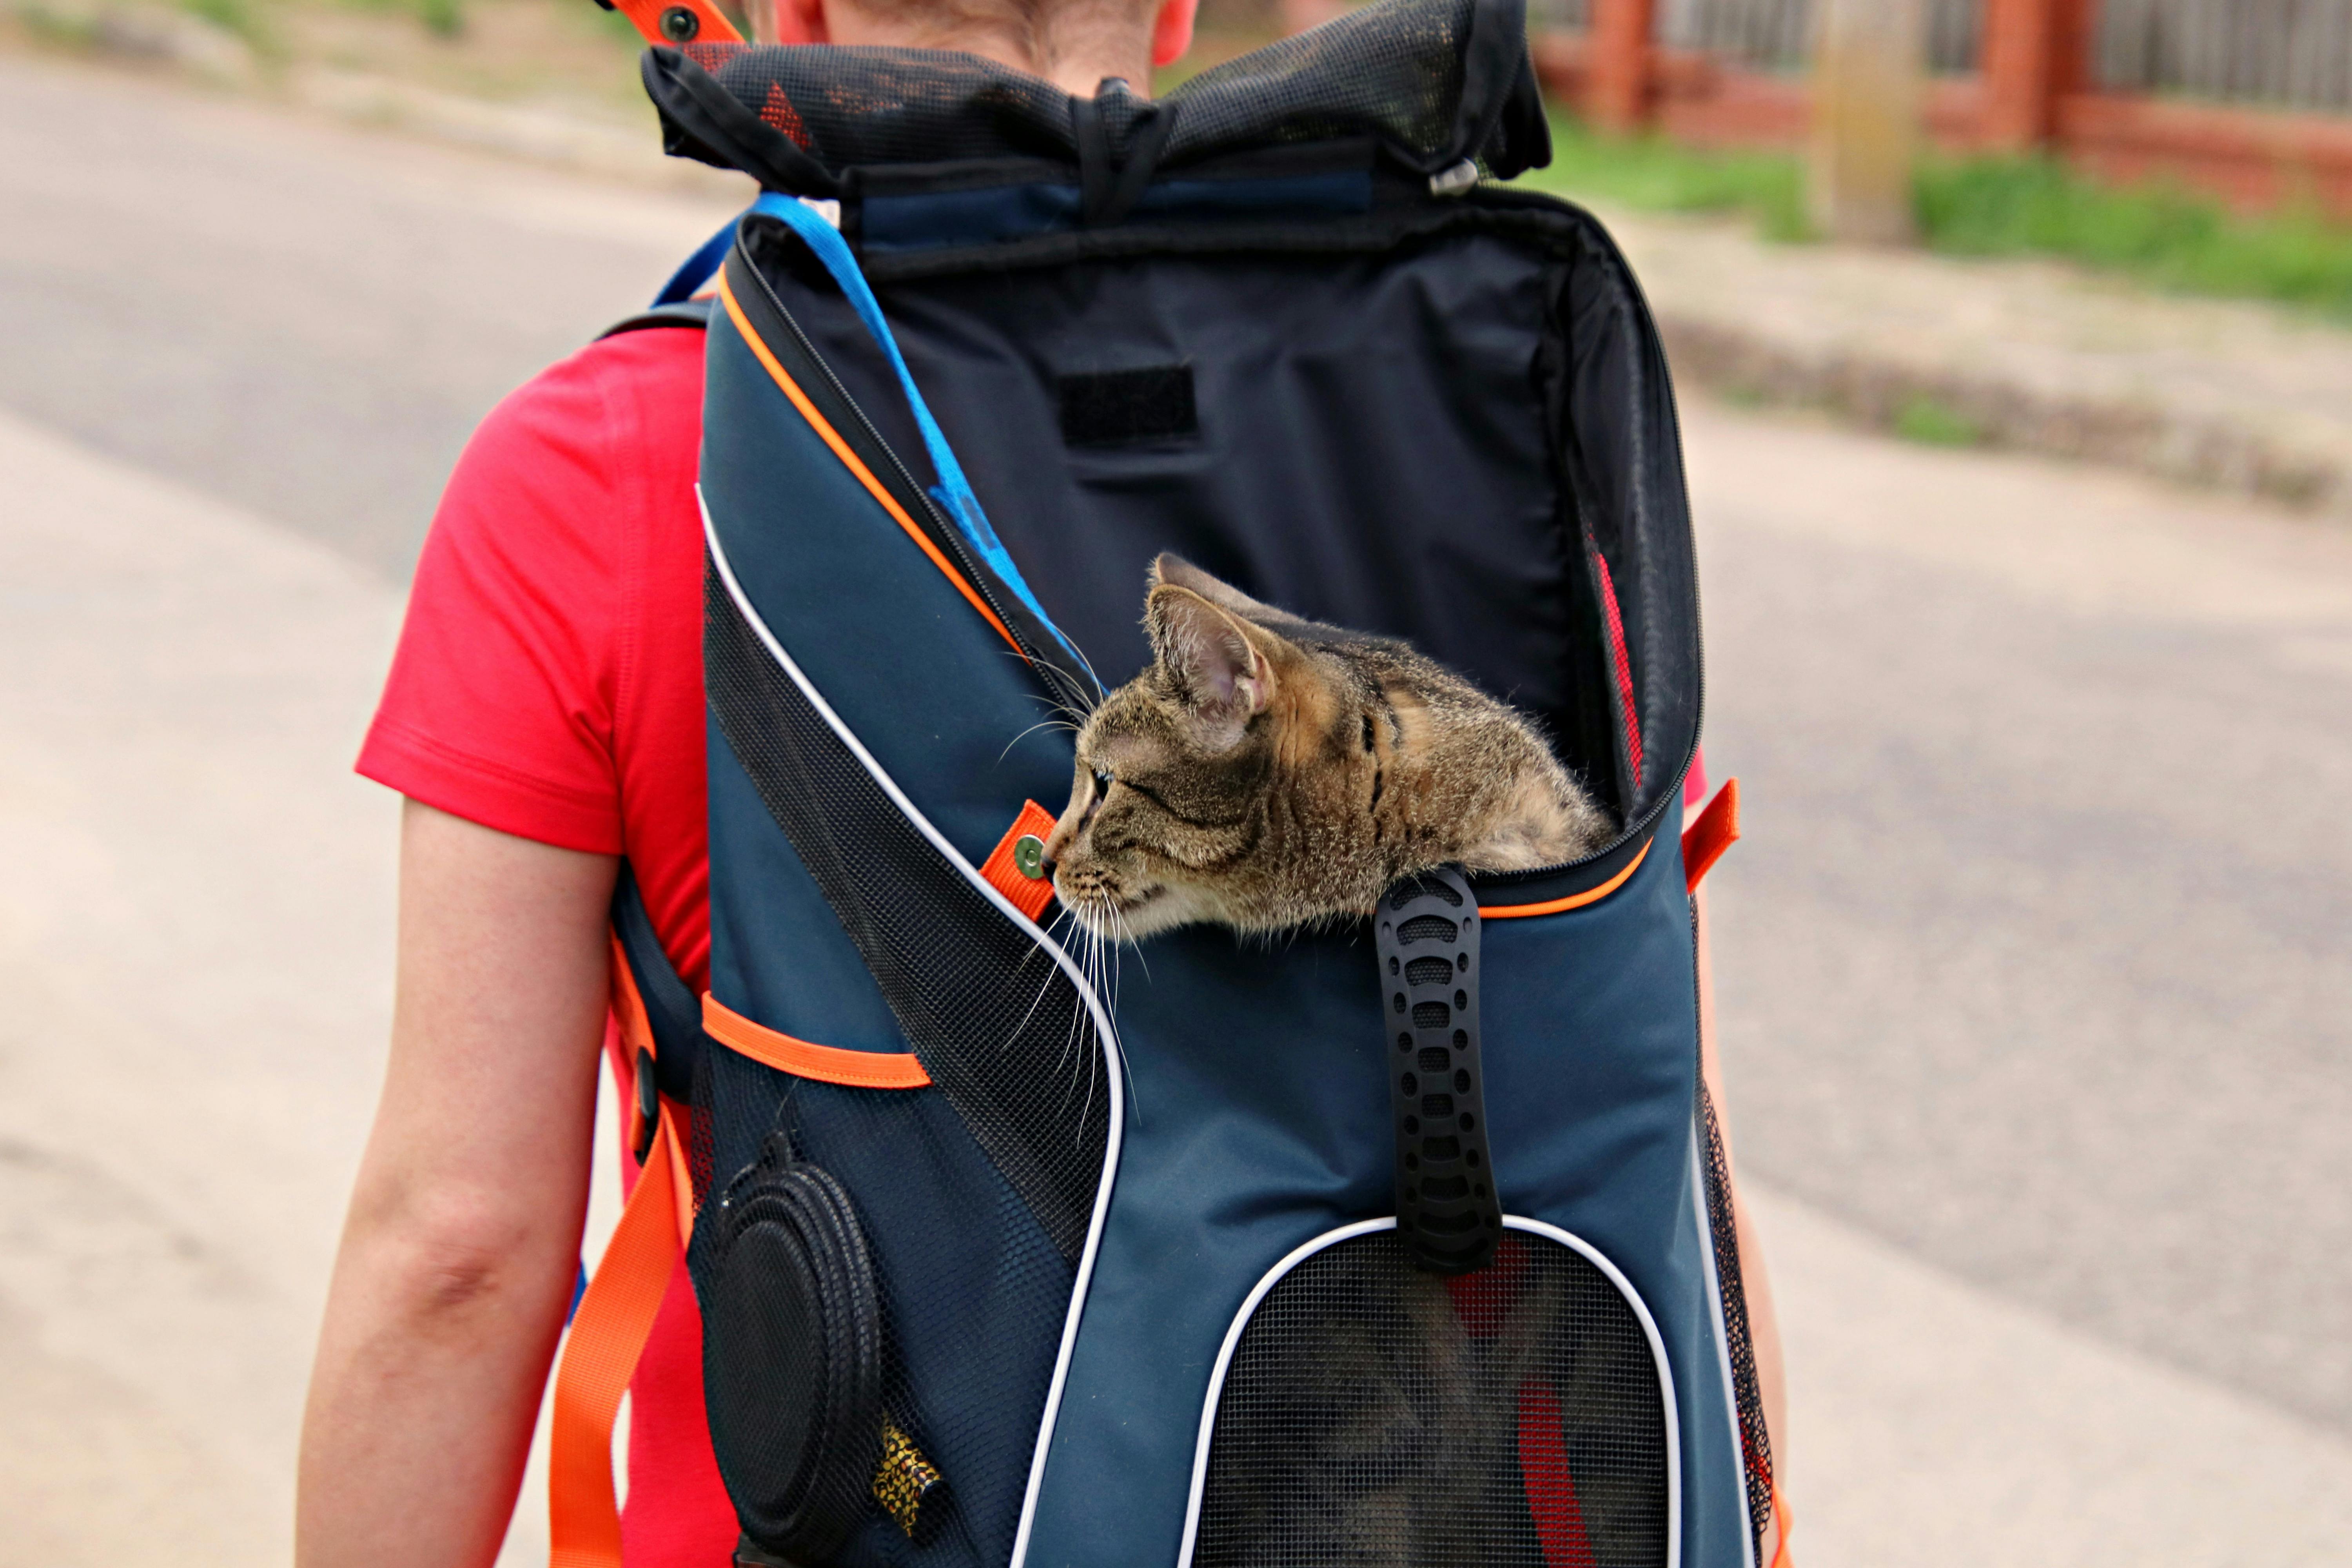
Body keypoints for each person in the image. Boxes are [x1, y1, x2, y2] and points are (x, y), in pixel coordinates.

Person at [294, 0, 1787, 1562]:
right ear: (1174, 8)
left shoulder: (599, 466)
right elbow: (1665, 1158)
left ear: (780, 23)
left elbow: (455, 1254)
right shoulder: (1478, 411)